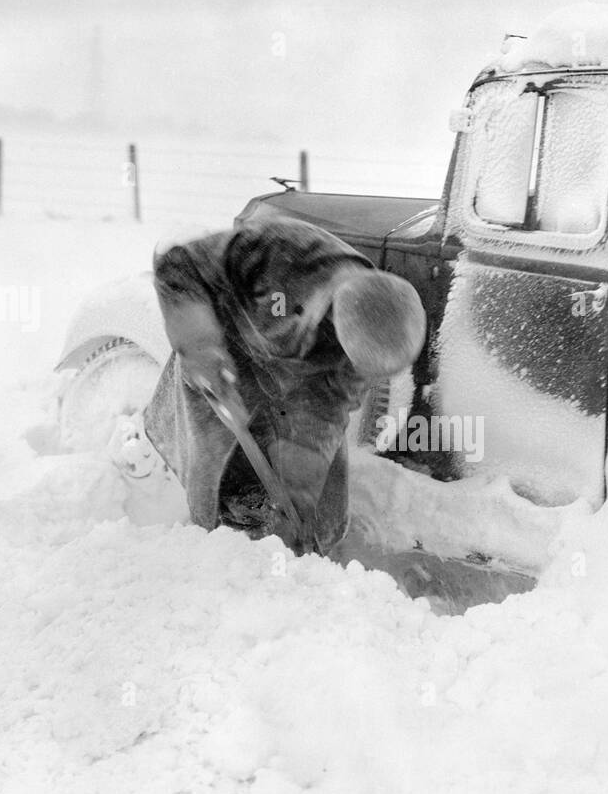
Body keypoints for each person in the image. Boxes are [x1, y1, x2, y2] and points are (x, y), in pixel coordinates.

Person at [141, 213, 425, 555]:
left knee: (321, 514)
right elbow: (179, 266)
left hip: (293, 384)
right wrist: (200, 347)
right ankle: (213, 557)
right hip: (222, 358)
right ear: (334, 319)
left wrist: (297, 491)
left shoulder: (370, 336)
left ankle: (299, 561)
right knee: (219, 479)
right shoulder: (279, 250)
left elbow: (326, 412)